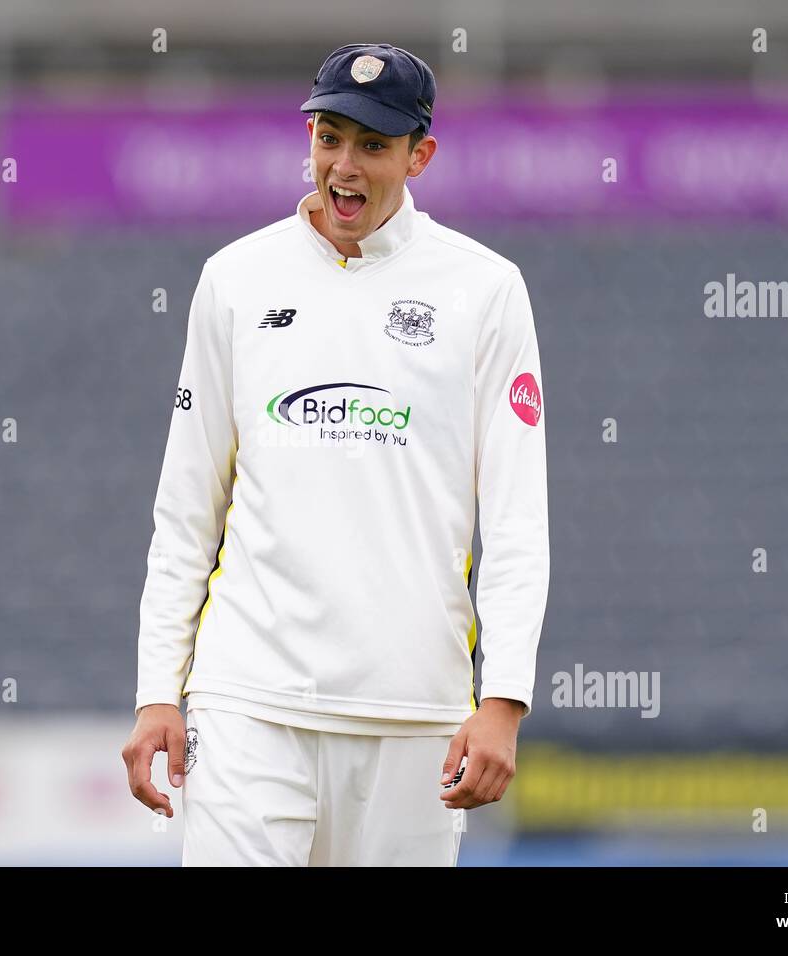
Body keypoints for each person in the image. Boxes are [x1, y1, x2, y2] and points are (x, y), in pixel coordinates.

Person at [122, 42, 550, 866]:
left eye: (374, 145)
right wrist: (154, 696)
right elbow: (185, 511)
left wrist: (503, 699)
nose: (344, 167)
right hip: (249, 701)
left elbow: (517, 523)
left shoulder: (486, 290)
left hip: (413, 715)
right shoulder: (235, 278)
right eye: (329, 136)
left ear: (420, 155)